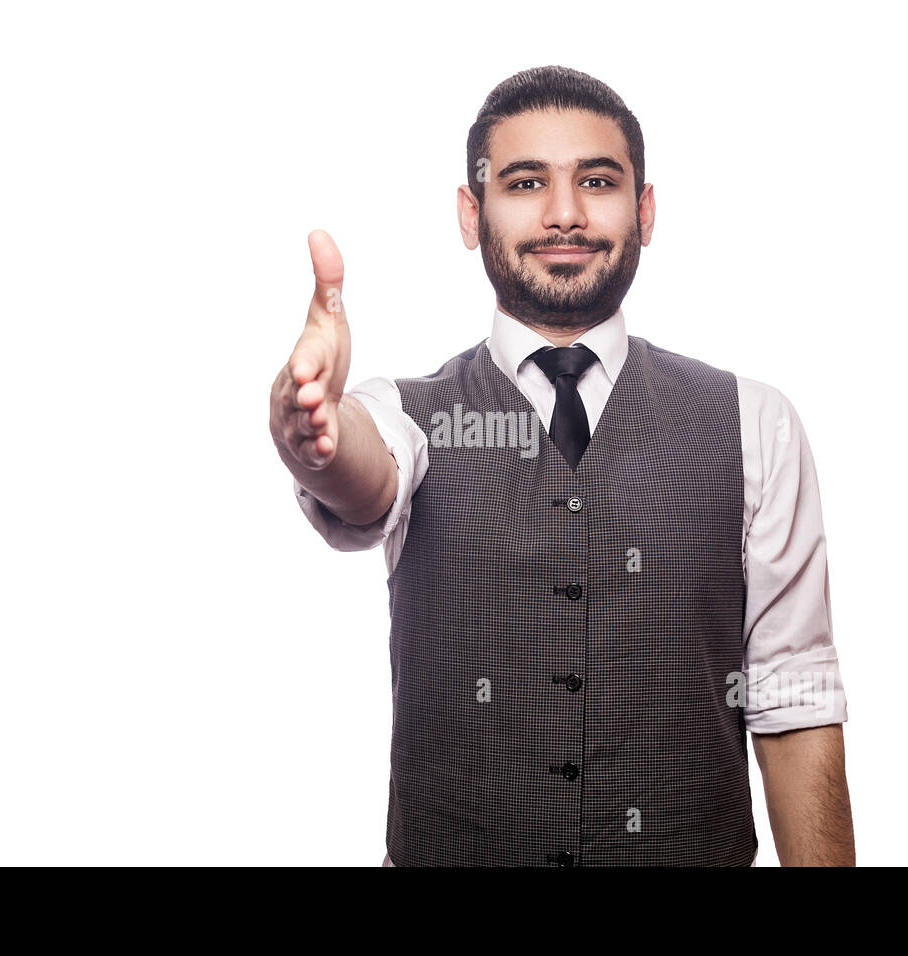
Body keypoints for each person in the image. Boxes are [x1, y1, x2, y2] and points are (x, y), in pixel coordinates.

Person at [270, 65, 854, 866]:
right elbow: (363, 482)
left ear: (645, 212)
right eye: (525, 182)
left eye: (598, 180)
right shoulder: (403, 414)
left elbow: (794, 697)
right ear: (472, 215)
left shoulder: (757, 425)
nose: (565, 214)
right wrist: (313, 434)